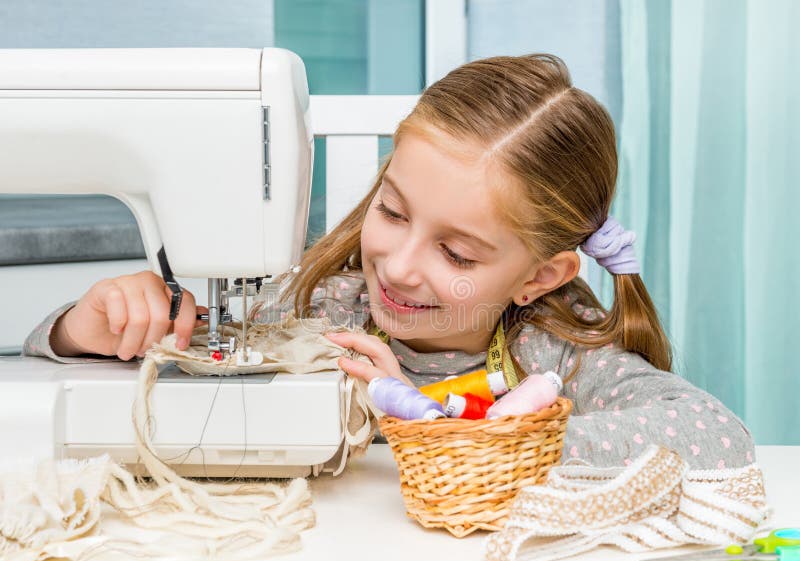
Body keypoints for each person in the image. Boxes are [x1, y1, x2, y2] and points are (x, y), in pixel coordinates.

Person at [24, 54, 755, 469]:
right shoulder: (319, 308)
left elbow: (718, 436)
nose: (398, 267)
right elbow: (188, 357)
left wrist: (453, 426)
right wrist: (82, 327)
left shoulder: (553, 350)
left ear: (539, 276)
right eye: (394, 211)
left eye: (456, 251)